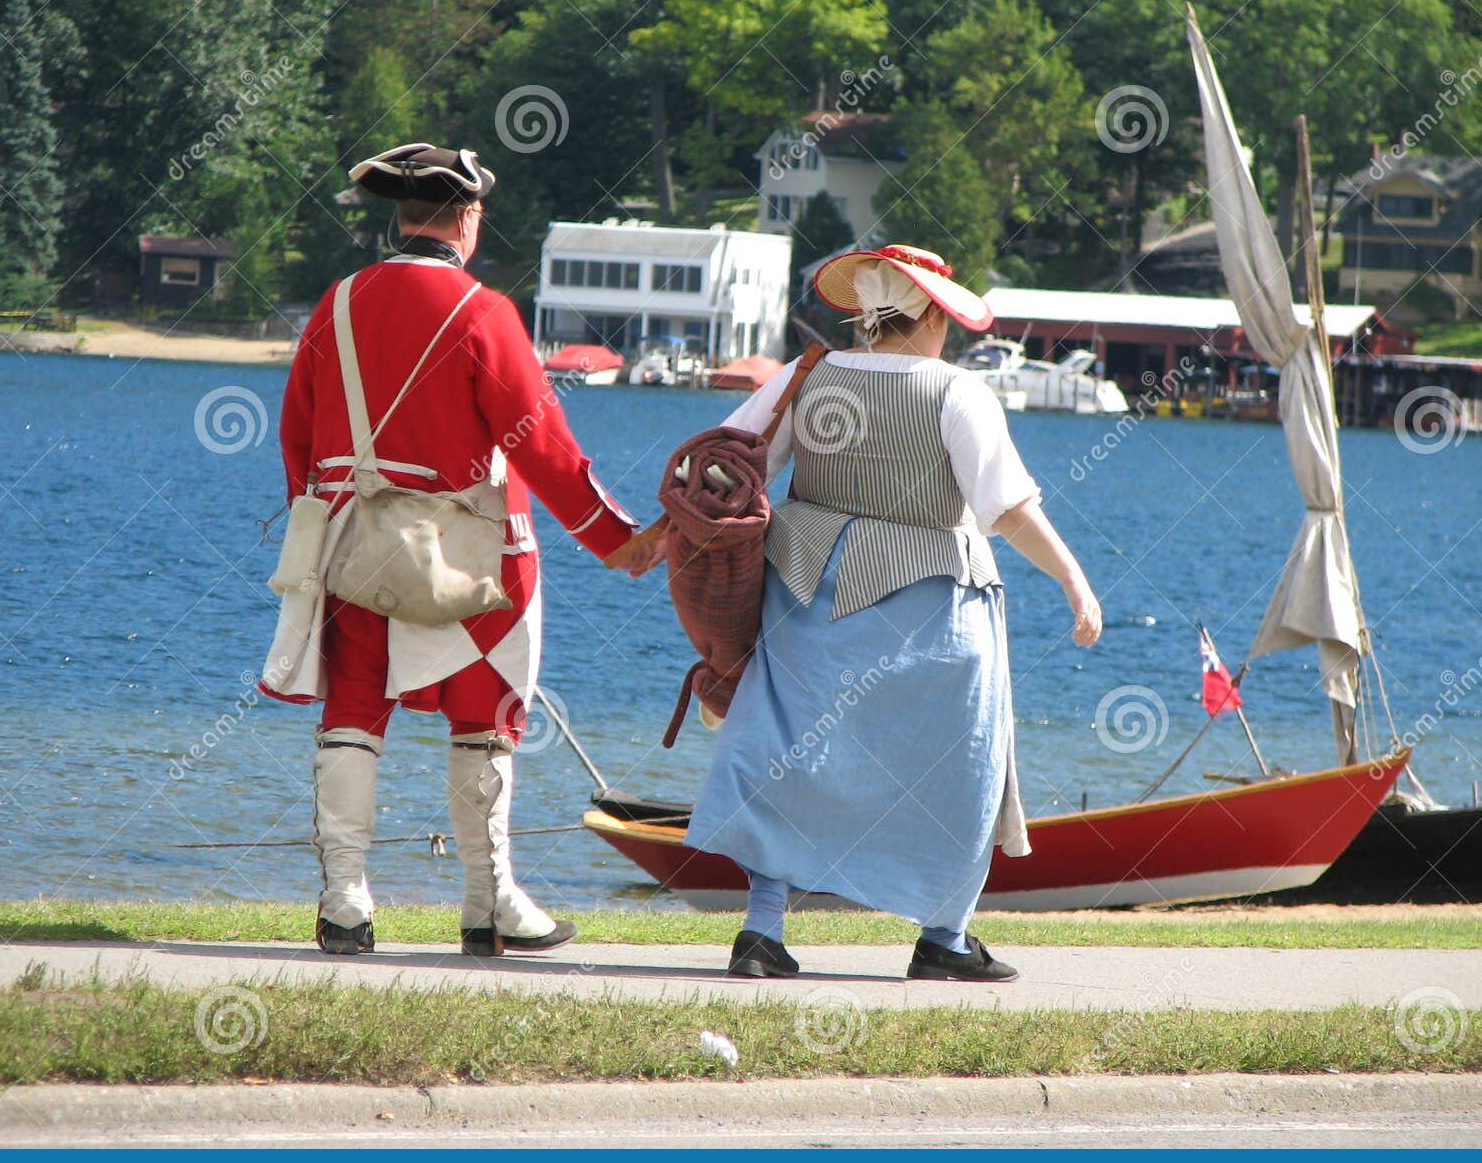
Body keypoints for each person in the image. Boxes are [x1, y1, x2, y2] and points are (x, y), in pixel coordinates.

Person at [261, 141, 663, 958]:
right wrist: (618, 542)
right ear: (468, 216)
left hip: (352, 546)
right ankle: (490, 903)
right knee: (486, 722)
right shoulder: (486, 314)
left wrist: (332, 517)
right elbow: (544, 444)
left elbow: (297, 439)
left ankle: (343, 902)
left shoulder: (334, 304)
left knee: (352, 715)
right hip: (473, 561)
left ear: (402, 215)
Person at [683, 244, 1102, 982]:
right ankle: (943, 938)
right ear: (936, 315)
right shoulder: (955, 392)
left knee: (788, 752)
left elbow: (726, 464)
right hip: (929, 606)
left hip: (804, 587)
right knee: (957, 768)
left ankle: (761, 933)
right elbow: (1008, 509)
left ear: (868, 317)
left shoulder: (804, 375)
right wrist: (1075, 581)